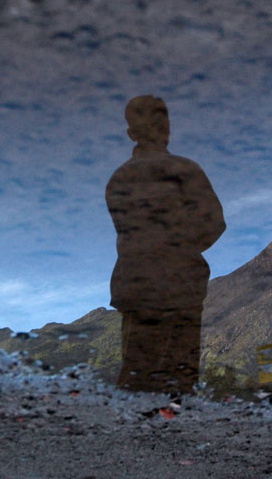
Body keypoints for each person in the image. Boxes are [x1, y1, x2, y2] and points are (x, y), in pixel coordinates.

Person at [106, 95, 225, 394]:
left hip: (135, 286)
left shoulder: (119, 179)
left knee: (136, 376)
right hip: (179, 285)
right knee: (178, 379)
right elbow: (214, 224)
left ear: (131, 133)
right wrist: (180, 251)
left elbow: (130, 233)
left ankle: (136, 436)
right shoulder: (184, 170)